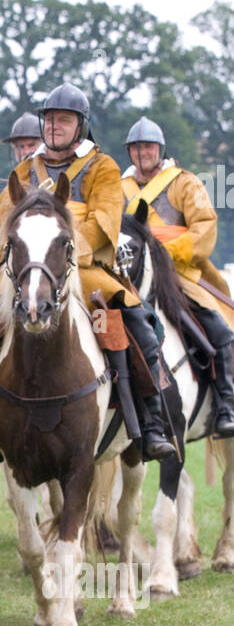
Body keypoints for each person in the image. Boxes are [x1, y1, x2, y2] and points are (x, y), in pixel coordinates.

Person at [0, 83, 176, 465]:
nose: (55, 127)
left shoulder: (103, 167)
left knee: (138, 325)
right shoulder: (24, 169)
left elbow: (106, 224)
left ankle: (150, 424)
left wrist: (61, 249)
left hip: (85, 269)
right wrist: (8, 249)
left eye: (64, 120)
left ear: (80, 125)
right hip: (26, 271)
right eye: (49, 119)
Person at [122, 115, 234, 434]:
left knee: (219, 330)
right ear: (130, 151)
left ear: (159, 149)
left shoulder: (184, 181)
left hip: (177, 273)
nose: (143, 153)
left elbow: (205, 227)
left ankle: (226, 404)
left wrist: (166, 251)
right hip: (130, 276)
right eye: (137, 148)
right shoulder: (119, 187)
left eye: (148, 147)